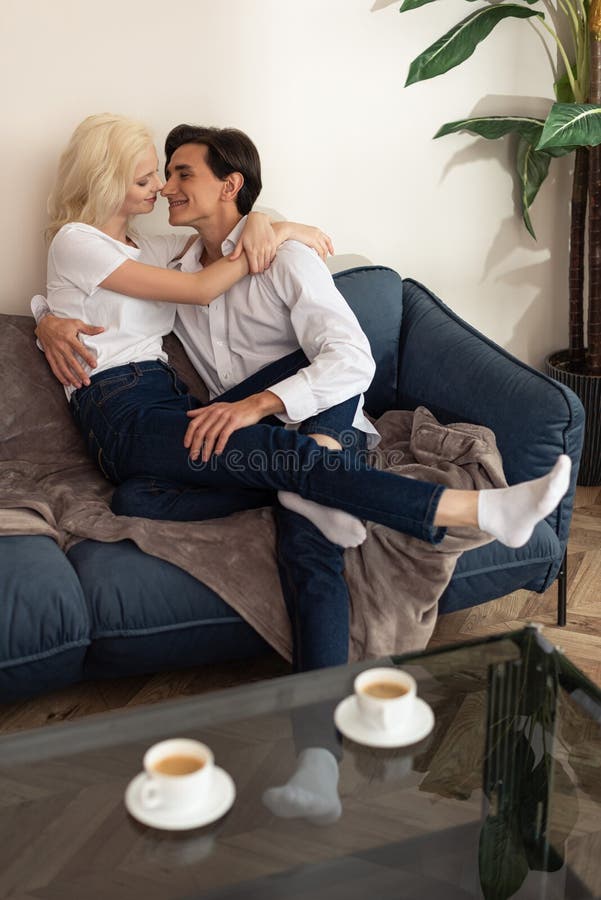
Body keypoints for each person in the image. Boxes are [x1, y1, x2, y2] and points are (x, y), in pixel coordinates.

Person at [35, 114, 572, 824]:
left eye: (178, 174)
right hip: (186, 421)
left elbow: (350, 362)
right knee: (153, 492)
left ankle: (315, 761)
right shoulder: (173, 266)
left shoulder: (275, 260)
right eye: (154, 174)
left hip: (310, 421)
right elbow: (106, 292)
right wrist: (45, 319)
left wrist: (278, 232)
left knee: (308, 553)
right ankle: (375, 498)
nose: (164, 186)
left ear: (229, 185)